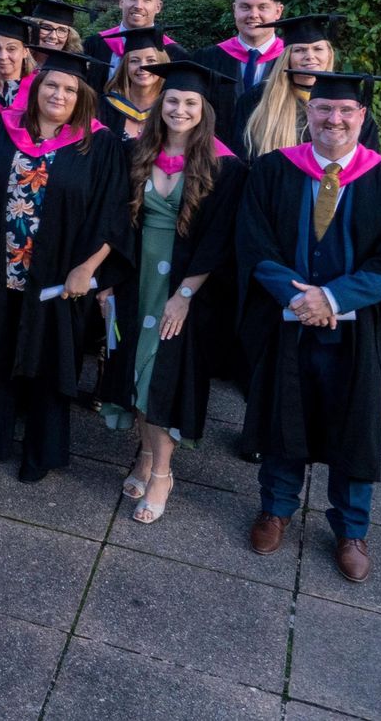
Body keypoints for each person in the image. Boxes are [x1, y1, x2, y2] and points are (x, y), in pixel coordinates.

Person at [238, 70, 381, 584]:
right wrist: (299, 298)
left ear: (362, 117)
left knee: (356, 428)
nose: (334, 119)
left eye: (345, 111)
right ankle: (276, 509)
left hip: (359, 333)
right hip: (290, 322)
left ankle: (351, 529)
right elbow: (253, 242)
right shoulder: (274, 170)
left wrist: (333, 298)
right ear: (309, 113)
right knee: (283, 415)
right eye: (324, 109)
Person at [0, 48, 127, 483]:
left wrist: (88, 268)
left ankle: (41, 450)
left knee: (50, 359)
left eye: (70, 89)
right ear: (36, 88)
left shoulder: (99, 143)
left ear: (82, 97)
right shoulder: (2, 127)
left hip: (58, 274)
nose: (59, 94)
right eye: (51, 84)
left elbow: (112, 213)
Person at [97, 61, 245, 523]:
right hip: (135, 280)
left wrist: (184, 295)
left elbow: (219, 239)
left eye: (190, 103)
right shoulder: (136, 151)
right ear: (161, 105)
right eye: (173, 101)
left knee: (162, 378)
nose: (180, 109)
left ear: (205, 110)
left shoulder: (224, 166)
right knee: (135, 374)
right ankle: (145, 456)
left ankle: (162, 474)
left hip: (185, 287)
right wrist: (108, 282)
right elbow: (116, 220)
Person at [235, 14, 381, 159]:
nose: (310, 56)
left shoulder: (349, 102)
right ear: (287, 56)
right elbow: (242, 156)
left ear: (329, 54)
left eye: (318, 49)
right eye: (299, 50)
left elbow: (367, 159)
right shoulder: (258, 98)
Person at [188, 0, 289, 148]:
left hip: (275, 155)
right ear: (235, 9)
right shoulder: (207, 59)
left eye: (263, 7)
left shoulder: (290, 60)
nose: (253, 14)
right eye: (245, 7)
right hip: (217, 156)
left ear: (278, 11)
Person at [81, 0, 178, 77]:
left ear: (158, 7)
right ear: (121, 2)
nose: (138, 6)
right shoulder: (95, 45)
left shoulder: (174, 53)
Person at [97, 27, 172, 140]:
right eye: (134, 61)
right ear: (125, 66)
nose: (142, 67)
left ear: (163, 64)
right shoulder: (103, 108)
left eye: (151, 61)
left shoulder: (170, 109)